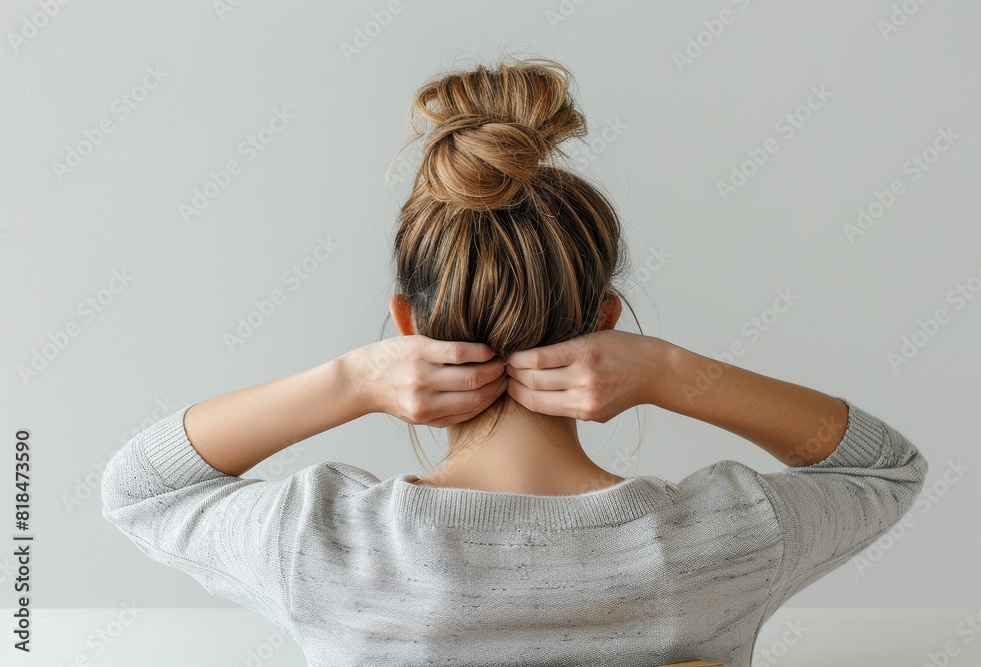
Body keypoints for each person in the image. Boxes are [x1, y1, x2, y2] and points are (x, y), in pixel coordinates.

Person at [101, 57, 928, 667]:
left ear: (406, 325)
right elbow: (887, 468)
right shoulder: (726, 538)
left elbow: (139, 487)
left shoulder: (320, 545)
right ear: (607, 320)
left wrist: (353, 379)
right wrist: (670, 371)